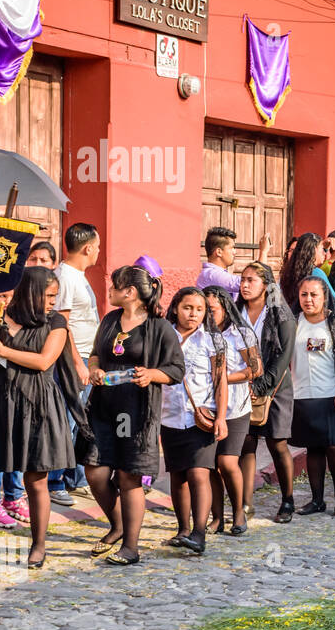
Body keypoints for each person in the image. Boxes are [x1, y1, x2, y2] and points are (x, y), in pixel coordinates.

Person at [0, 267, 81, 570]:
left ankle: (38, 545)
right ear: (31, 292)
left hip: (37, 404)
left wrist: (4, 350)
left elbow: (43, 361)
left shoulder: (56, 322)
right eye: (49, 296)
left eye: (54, 296)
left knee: (35, 479)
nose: (53, 301)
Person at [82, 266, 184, 565]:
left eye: (114, 286)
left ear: (130, 292)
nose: (109, 291)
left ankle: (131, 546)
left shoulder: (159, 327)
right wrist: (94, 370)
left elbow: (176, 370)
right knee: (96, 471)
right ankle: (116, 524)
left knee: (129, 477)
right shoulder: (110, 320)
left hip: (136, 413)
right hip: (103, 408)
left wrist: (151, 374)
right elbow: (95, 354)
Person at [159, 288, 227, 555]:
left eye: (200, 310)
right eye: (188, 308)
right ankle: (183, 529)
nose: (194, 314)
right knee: (178, 475)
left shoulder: (213, 340)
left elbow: (220, 381)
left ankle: (200, 533)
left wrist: (221, 417)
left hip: (202, 417)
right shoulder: (163, 336)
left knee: (199, 473)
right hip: (170, 415)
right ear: (176, 308)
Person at [289, 275, 335, 515]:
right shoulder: (294, 321)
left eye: (314, 294)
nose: (308, 299)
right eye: (304, 294)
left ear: (324, 296)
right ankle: (317, 500)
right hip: (302, 395)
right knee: (313, 449)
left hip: (332, 394)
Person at [237, 261, 297, 524]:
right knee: (246, 443)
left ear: (266, 285)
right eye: (243, 279)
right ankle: (245, 502)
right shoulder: (236, 311)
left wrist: (262, 387)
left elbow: (283, 356)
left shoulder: (280, 314)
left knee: (277, 442)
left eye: (252, 280)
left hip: (275, 386)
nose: (245, 285)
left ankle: (287, 500)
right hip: (242, 385)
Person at [48, 222, 100, 505]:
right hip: (70, 359)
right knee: (66, 420)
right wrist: (78, 363)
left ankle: (74, 477)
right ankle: (55, 480)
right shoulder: (66, 277)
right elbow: (62, 324)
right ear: (88, 247)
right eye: (98, 247)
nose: (98, 252)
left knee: (81, 420)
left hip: (85, 355)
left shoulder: (77, 275)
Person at [205, 286, 260, 535]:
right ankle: (217, 517)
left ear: (225, 308)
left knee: (227, 462)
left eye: (211, 309)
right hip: (206, 407)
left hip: (235, 406)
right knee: (210, 465)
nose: (207, 314)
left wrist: (225, 378)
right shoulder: (200, 333)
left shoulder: (240, 333)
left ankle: (238, 511)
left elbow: (255, 369)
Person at [281, 232, 335, 317]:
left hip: (294, 319)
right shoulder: (316, 272)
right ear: (314, 250)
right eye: (322, 249)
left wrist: (324, 246)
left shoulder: (289, 272)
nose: (325, 253)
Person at [197, 226, 247, 296]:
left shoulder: (214, 273)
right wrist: (263, 252)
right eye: (232, 248)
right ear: (219, 252)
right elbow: (249, 284)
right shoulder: (211, 274)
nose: (234, 252)